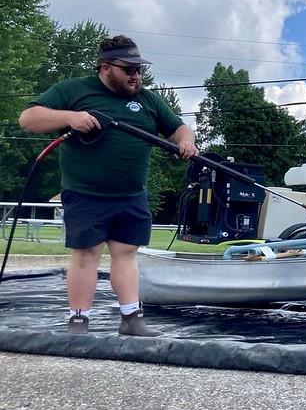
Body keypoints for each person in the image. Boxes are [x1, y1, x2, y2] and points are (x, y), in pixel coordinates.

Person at [19, 35, 199, 336]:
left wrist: (186, 142)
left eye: (139, 70)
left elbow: (180, 128)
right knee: (87, 254)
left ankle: (131, 319)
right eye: (128, 69)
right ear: (105, 68)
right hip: (86, 193)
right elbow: (28, 118)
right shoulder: (73, 90)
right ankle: (79, 321)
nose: (135, 75)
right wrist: (70, 117)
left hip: (131, 195)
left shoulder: (148, 100)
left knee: (126, 253)